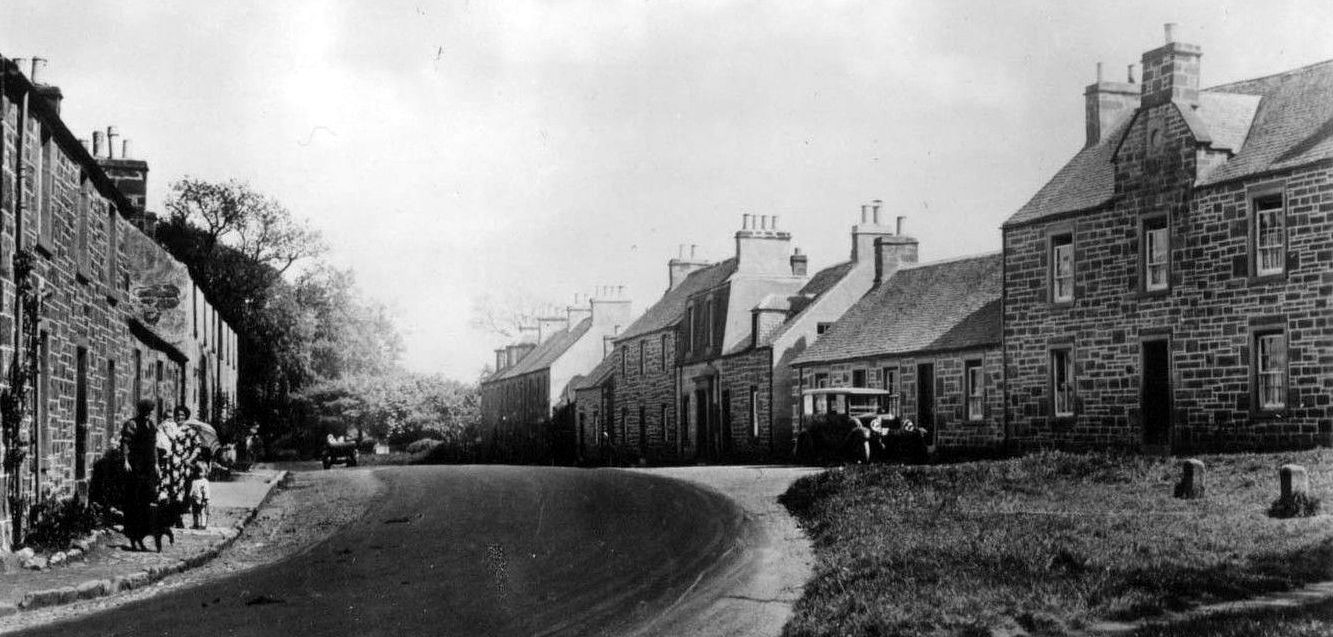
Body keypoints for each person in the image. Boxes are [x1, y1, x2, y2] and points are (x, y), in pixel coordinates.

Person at [119, 399, 160, 551]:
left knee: (147, 500)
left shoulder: (151, 425)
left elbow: (153, 445)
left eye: (150, 412)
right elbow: (125, 442)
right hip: (135, 466)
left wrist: (156, 463)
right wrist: (126, 460)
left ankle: (143, 534)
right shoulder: (132, 424)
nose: (149, 415)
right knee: (134, 501)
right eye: (147, 412)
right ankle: (132, 536)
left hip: (148, 467)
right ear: (141, 411)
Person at [188, 462, 210, 529]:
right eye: (197, 471)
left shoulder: (205, 482)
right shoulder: (194, 481)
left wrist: (205, 499)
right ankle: (195, 524)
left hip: (202, 500)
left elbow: (206, 492)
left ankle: (203, 525)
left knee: (202, 512)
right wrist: (190, 496)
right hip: (195, 499)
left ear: (205, 472)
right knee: (195, 512)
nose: (199, 474)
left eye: (201, 472)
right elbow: (192, 490)